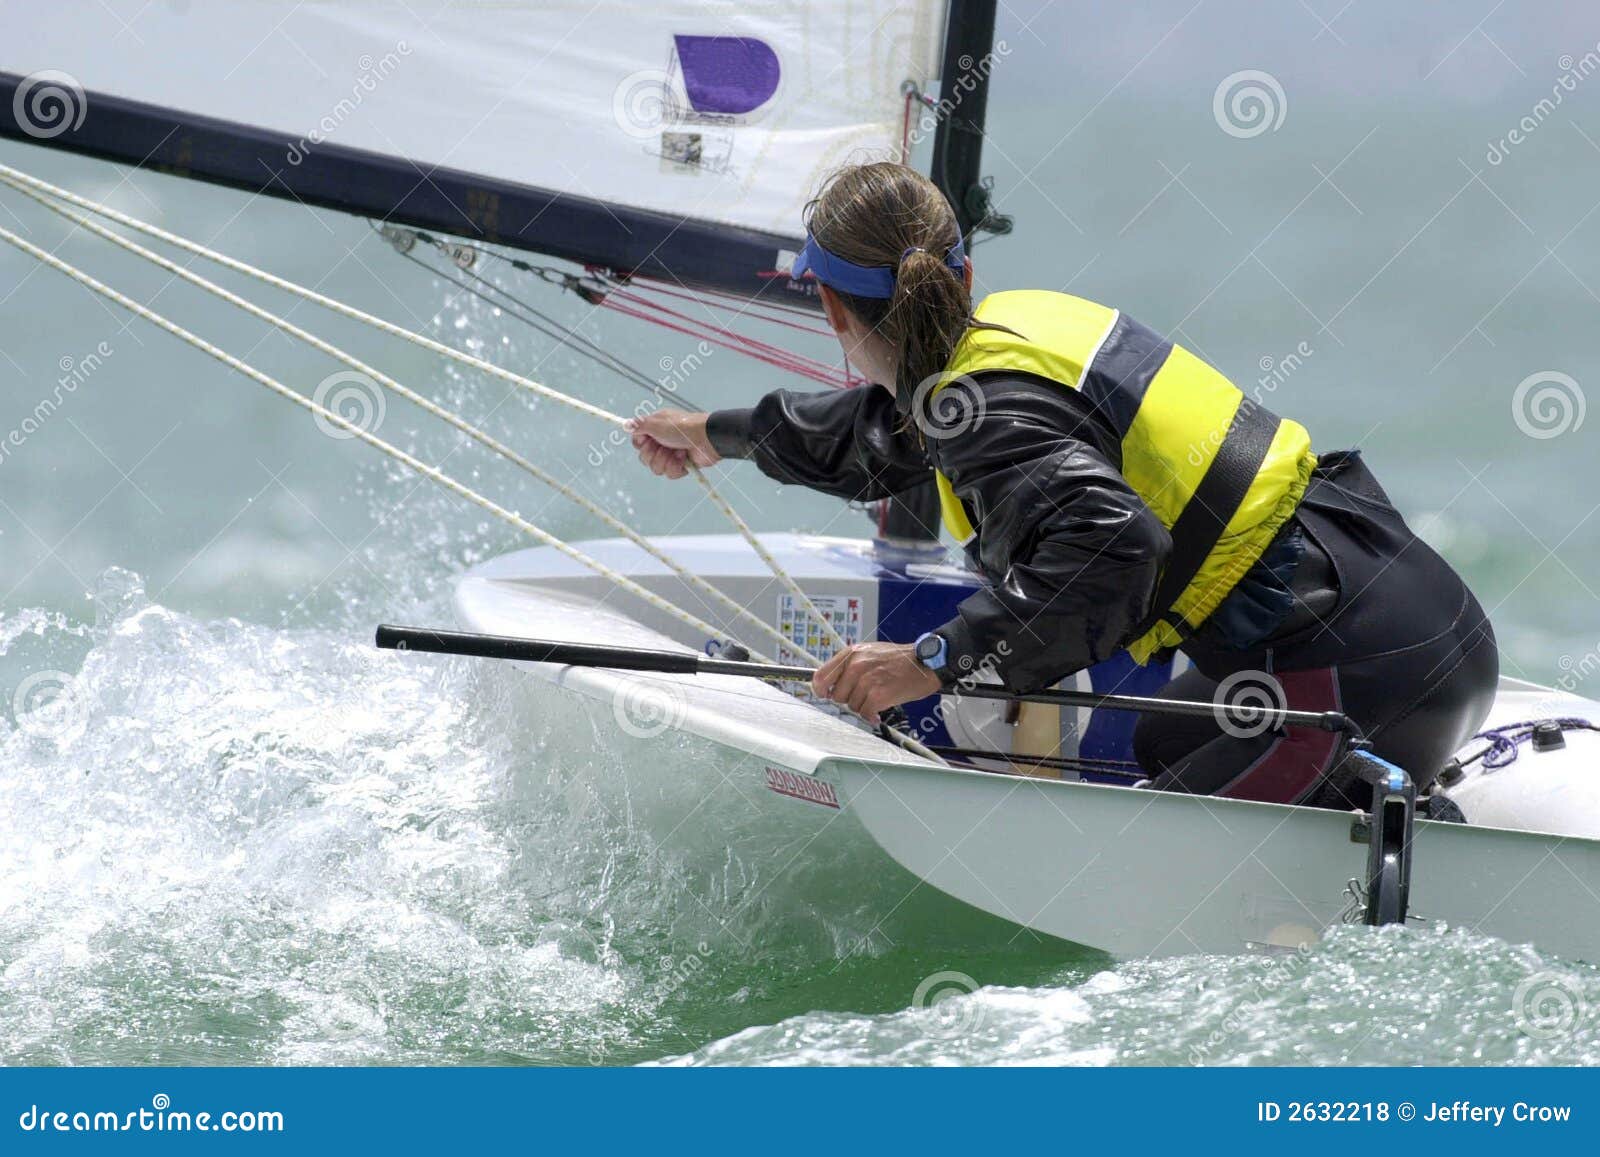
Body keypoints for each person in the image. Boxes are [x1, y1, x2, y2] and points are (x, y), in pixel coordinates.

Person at [627, 161, 1497, 806]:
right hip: (1402, 608)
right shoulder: (998, 342)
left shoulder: (987, 409)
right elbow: (877, 438)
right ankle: (1376, 799)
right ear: (961, 274)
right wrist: (714, 435)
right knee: (1161, 736)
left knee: (1166, 858)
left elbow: (1118, 549)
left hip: (1361, 672)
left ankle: (1387, 810)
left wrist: (931, 661)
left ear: (833, 311)